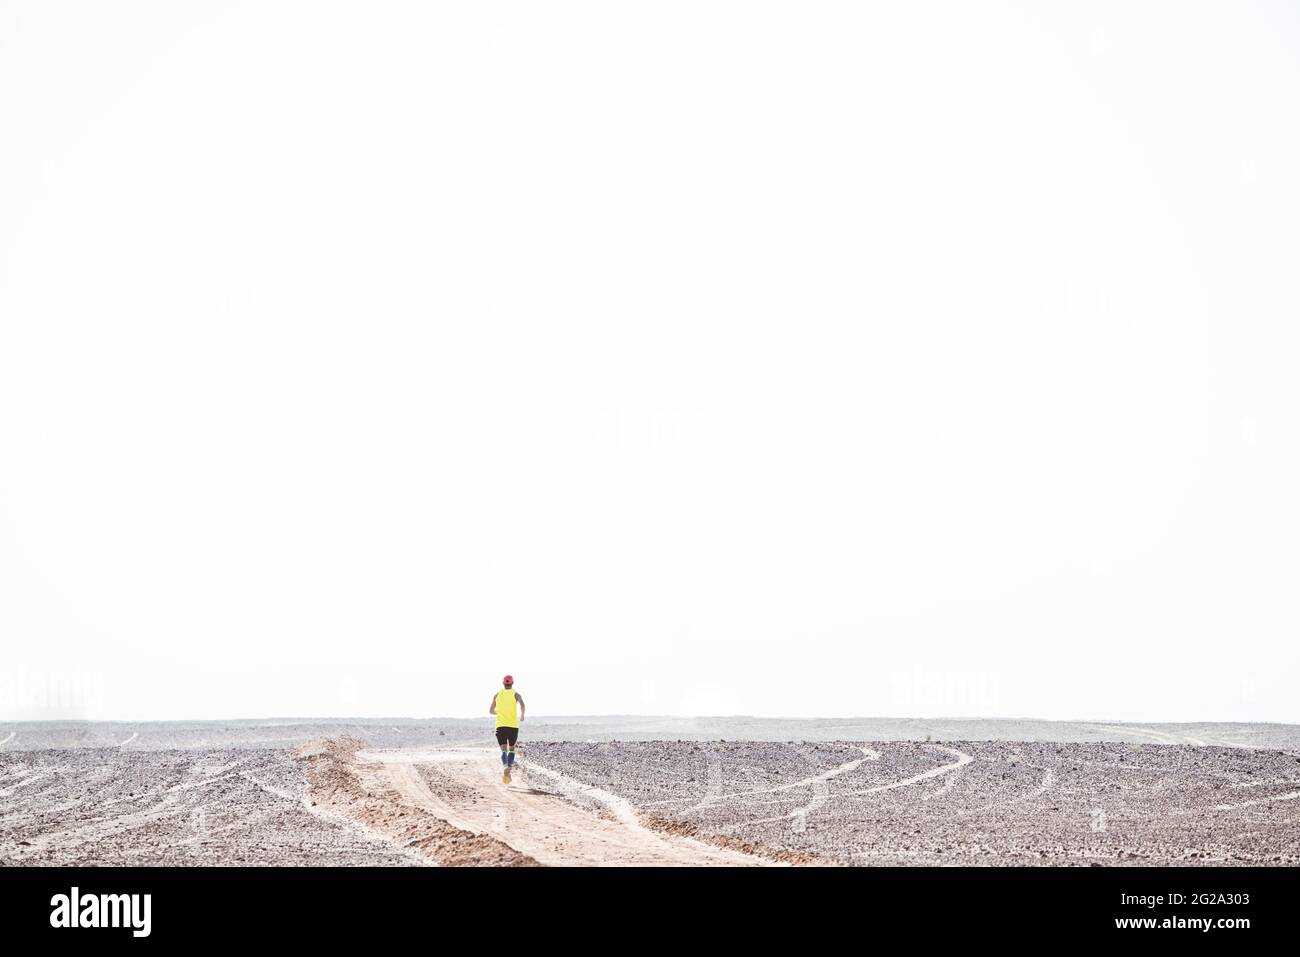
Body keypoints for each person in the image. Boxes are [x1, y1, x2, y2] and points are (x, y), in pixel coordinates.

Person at [489, 674, 525, 784]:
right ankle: (508, 769)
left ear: (503, 683)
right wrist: (522, 715)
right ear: (512, 683)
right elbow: (523, 705)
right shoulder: (516, 694)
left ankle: (506, 767)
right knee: (512, 749)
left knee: (503, 750)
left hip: (500, 725)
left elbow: (491, 711)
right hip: (513, 726)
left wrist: (499, 712)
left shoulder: (497, 695)